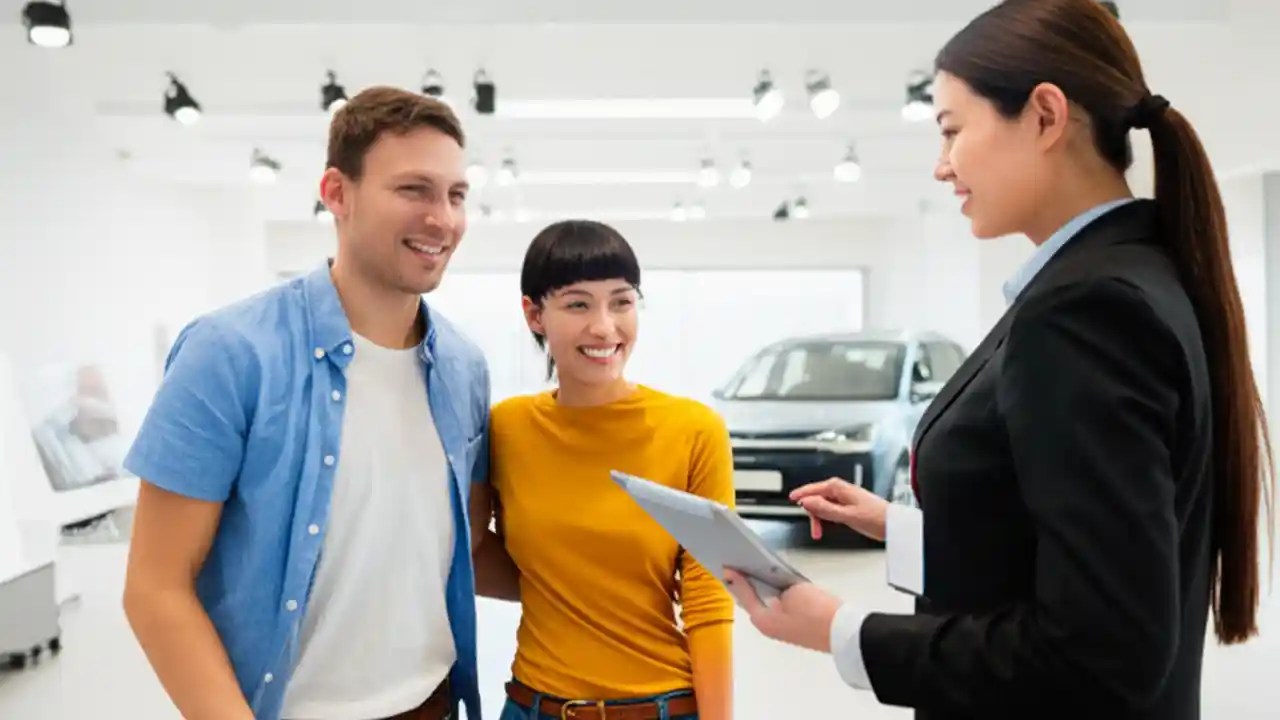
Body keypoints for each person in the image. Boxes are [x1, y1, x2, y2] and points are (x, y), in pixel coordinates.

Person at [724, 1, 1274, 719]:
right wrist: (904, 528)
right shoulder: (1129, 279)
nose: (942, 165)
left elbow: (1101, 652)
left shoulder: (1086, 314)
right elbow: (1075, 550)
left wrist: (840, 629)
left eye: (953, 130)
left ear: (1045, 116)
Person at [121, 87, 490, 720]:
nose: (443, 219)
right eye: (414, 190)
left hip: (431, 703)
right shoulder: (231, 353)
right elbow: (155, 588)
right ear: (337, 193)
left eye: (456, 195)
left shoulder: (463, 367)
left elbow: (467, 546)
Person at [471, 220, 734, 720]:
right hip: (531, 706)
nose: (604, 327)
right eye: (577, 304)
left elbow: (708, 602)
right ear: (534, 314)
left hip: (658, 708)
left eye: (621, 301)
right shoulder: (507, 427)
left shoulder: (693, 430)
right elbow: (478, 551)